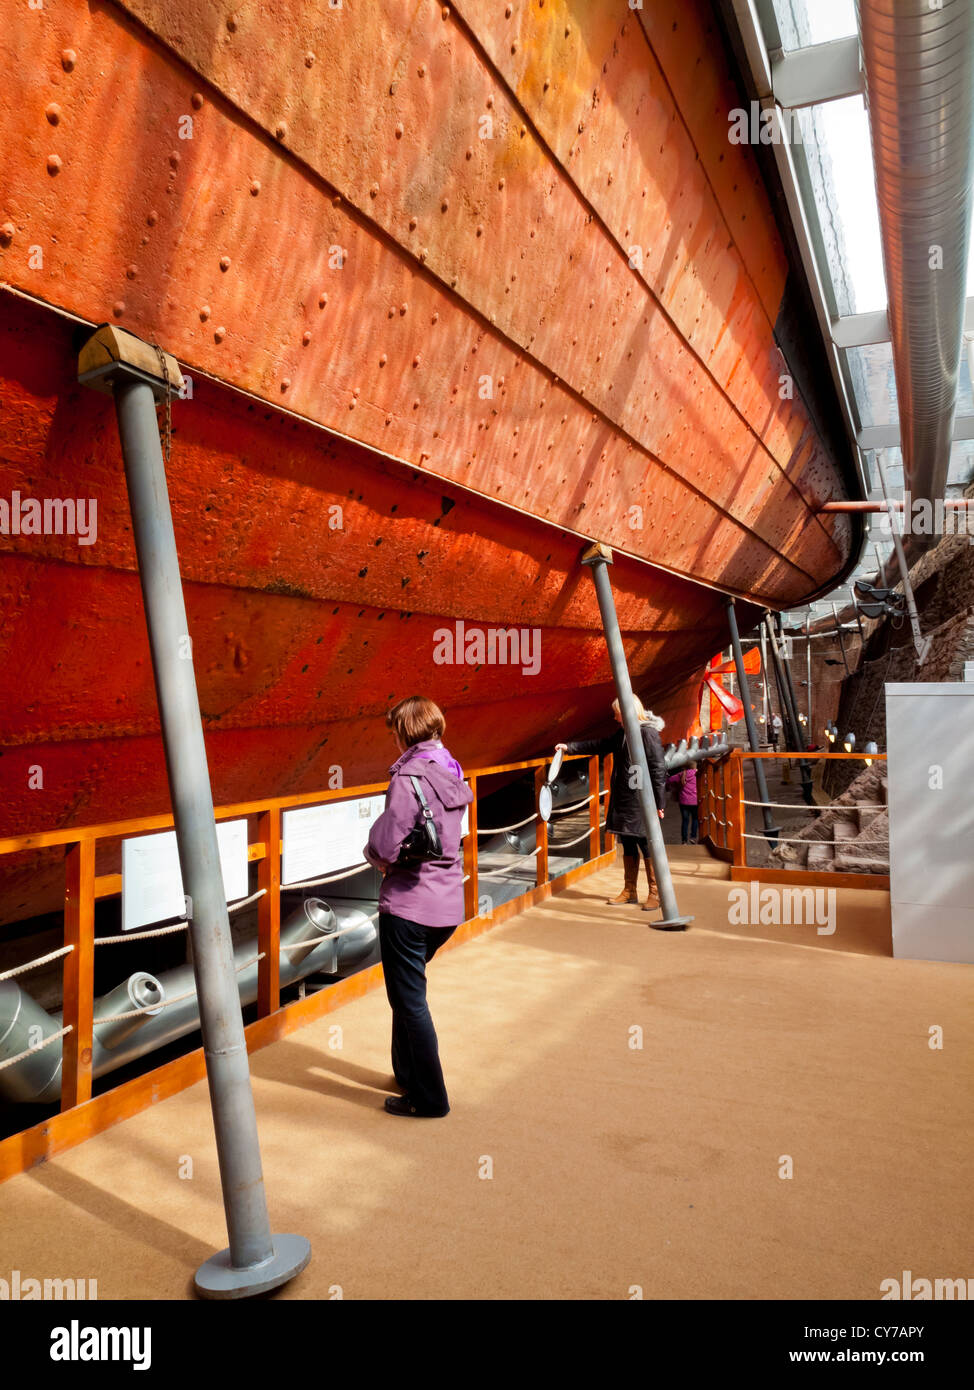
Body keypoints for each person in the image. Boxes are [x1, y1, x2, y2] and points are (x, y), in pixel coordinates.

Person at [364, 696, 472, 1118]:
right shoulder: (451, 766)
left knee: (409, 1001)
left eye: (394, 730)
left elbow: (386, 846)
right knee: (408, 995)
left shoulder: (406, 777)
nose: (392, 739)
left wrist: (370, 849)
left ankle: (430, 1099)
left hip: (409, 906)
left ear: (404, 732)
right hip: (446, 906)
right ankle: (407, 1072)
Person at [555, 696, 666, 910]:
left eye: (617, 712)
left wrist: (659, 803)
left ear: (626, 712)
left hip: (641, 801)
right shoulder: (624, 733)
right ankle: (630, 891)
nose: (615, 717)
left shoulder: (647, 733)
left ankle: (656, 893)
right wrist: (569, 747)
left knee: (647, 845)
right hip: (625, 799)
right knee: (629, 843)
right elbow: (600, 744)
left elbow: (658, 768)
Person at [667, 765, 699, 844]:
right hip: (695, 801)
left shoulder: (681, 774)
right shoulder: (698, 773)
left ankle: (684, 841)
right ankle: (693, 837)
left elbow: (669, 780)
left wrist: (674, 786)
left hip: (684, 802)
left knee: (685, 821)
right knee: (695, 819)